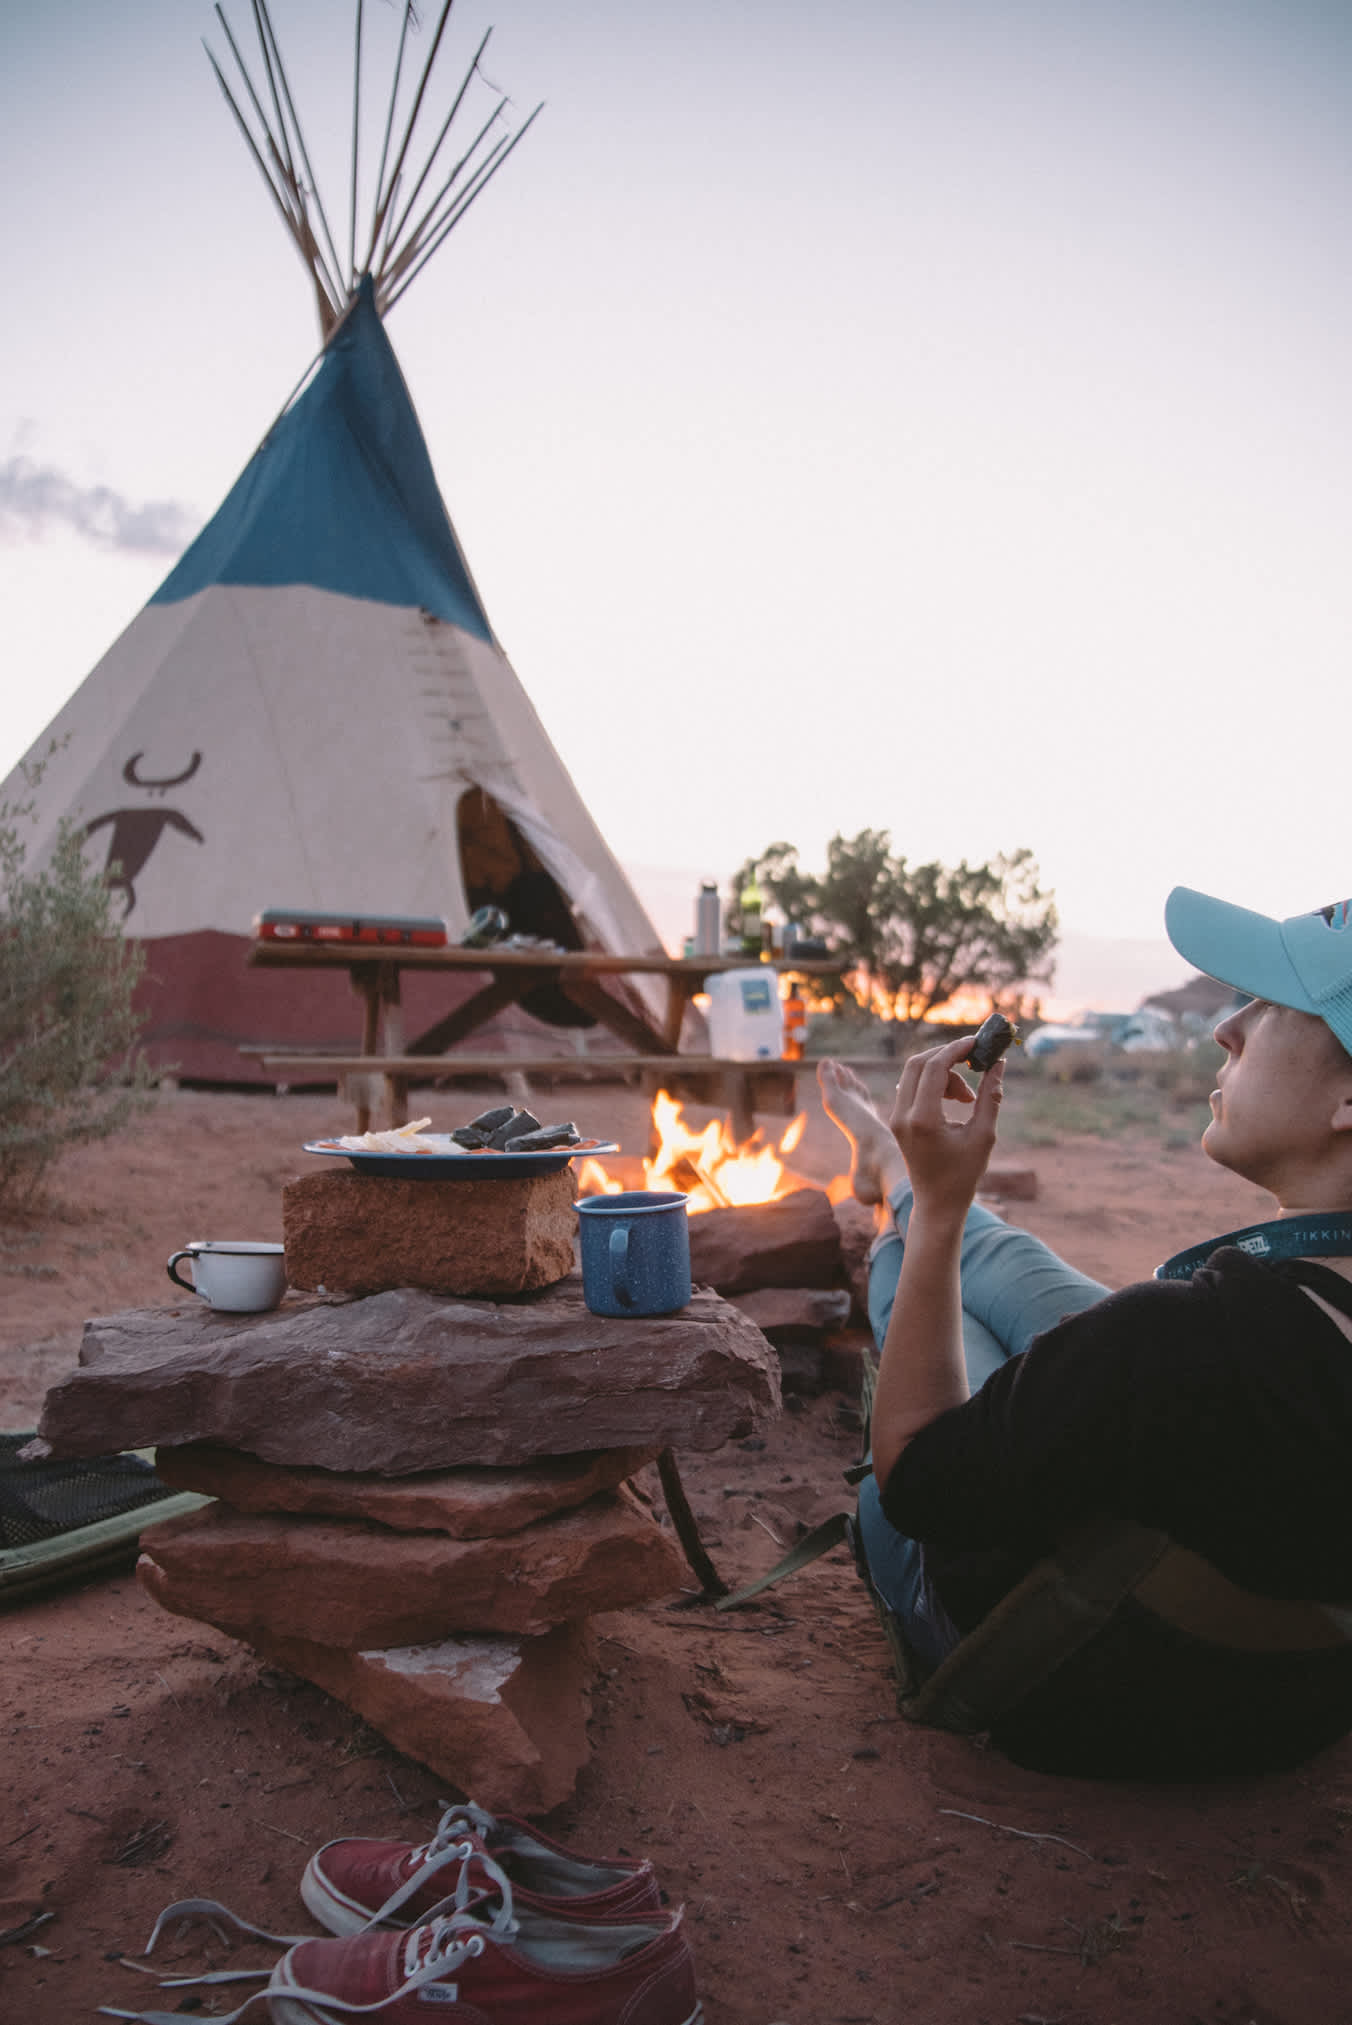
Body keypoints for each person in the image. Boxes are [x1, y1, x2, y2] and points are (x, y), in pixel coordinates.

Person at [818, 885, 1352, 1778]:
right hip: (1298, 1706)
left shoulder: (1177, 1344)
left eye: (1271, 1004)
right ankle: (899, 1180)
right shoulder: (1216, 1333)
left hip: (1076, 1673)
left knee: (939, 1287)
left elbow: (915, 1477)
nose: (1228, 1026)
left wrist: (942, 1212)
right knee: (1020, 1271)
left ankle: (903, 1205)